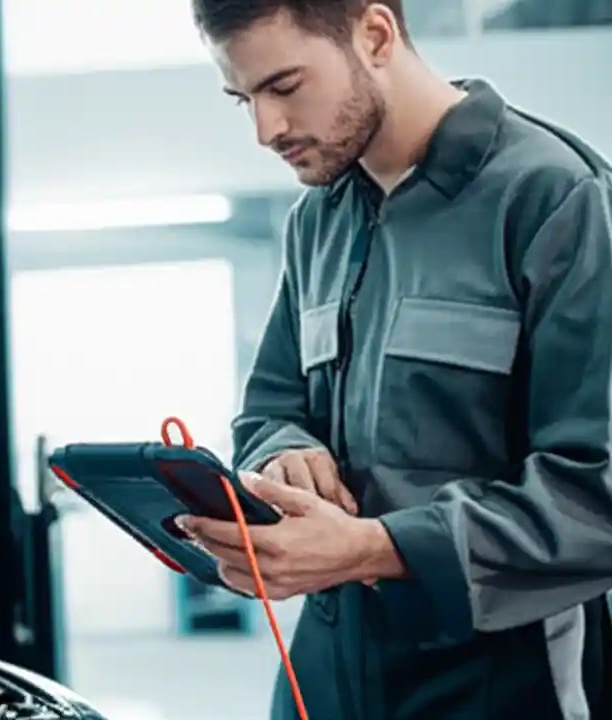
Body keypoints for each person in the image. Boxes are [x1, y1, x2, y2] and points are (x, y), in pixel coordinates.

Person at [176, 1, 612, 718]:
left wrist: (373, 548)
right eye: (243, 98)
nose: (265, 130)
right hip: (326, 676)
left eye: (284, 87)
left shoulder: (555, 198)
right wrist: (286, 450)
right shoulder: (316, 221)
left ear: (375, 34)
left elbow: (595, 495)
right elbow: (269, 409)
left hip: (503, 681)